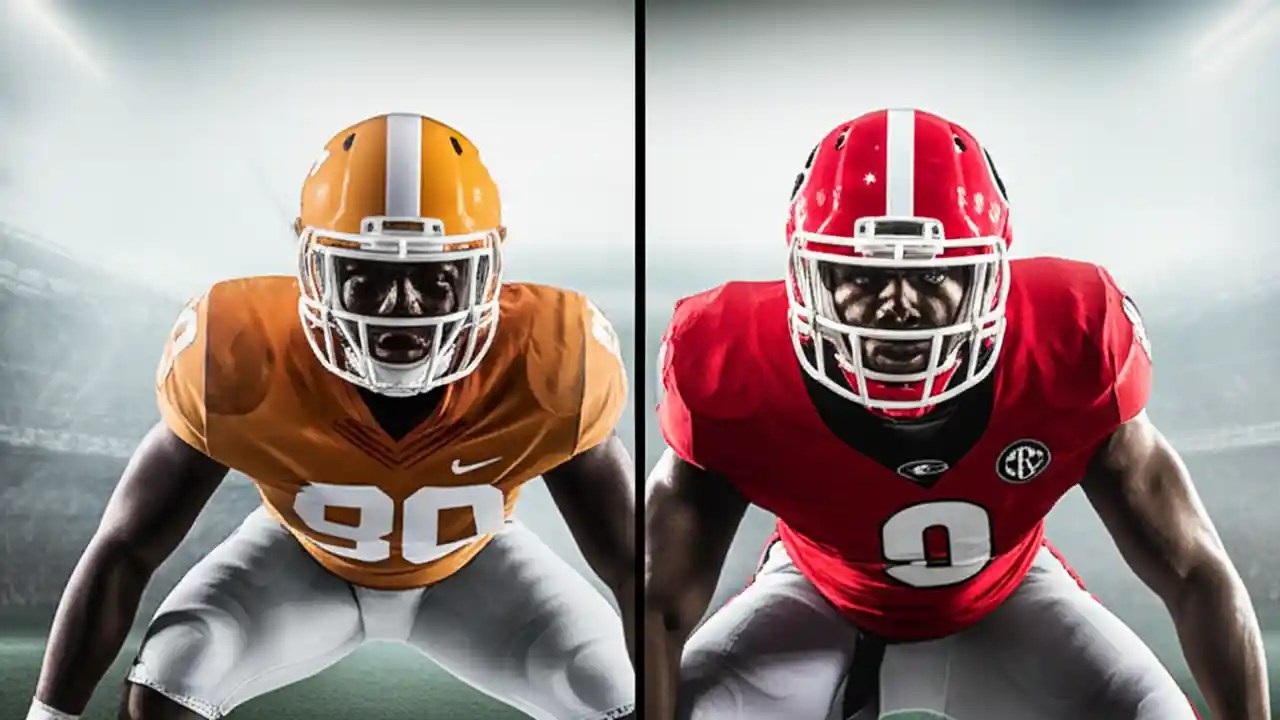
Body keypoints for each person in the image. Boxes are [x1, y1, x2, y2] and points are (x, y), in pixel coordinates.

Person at [644, 108, 1268, 720]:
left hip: (1008, 591)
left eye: (932, 275)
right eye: (862, 276)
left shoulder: (1074, 345)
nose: (897, 306)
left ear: (988, 279)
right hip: (817, 591)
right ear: (810, 277)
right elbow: (657, 605)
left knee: (1156, 712)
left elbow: (1195, 572)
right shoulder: (729, 367)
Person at [28, 113, 636, 720]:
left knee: (612, 690)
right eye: (366, 277)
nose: (402, 309)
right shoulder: (238, 355)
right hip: (300, 562)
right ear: (313, 268)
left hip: (476, 565)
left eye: (435, 278)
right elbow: (126, 548)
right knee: (170, 684)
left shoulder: (554, 362)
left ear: (488, 269)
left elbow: (634, 567)